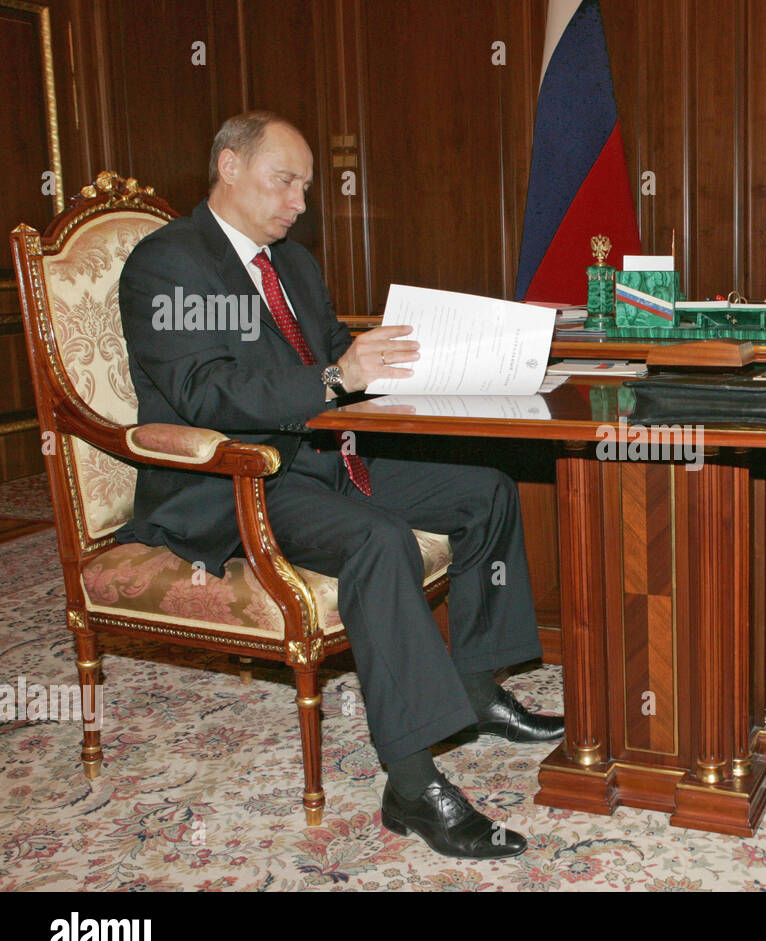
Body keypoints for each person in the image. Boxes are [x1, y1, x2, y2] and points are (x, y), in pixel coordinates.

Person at [117, 110, 564, 860]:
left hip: (325, 456)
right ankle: (413, 783)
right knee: (378, 541)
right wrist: (333, 375)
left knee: (483, 487)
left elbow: (332, 361)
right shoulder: (168, 264)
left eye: (305, 187)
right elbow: (204, 392)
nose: (298, 202)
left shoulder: (292, 263)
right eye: (283, 181)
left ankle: (479, 686)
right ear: (229, 166)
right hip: (242, 476)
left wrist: (415, 372)